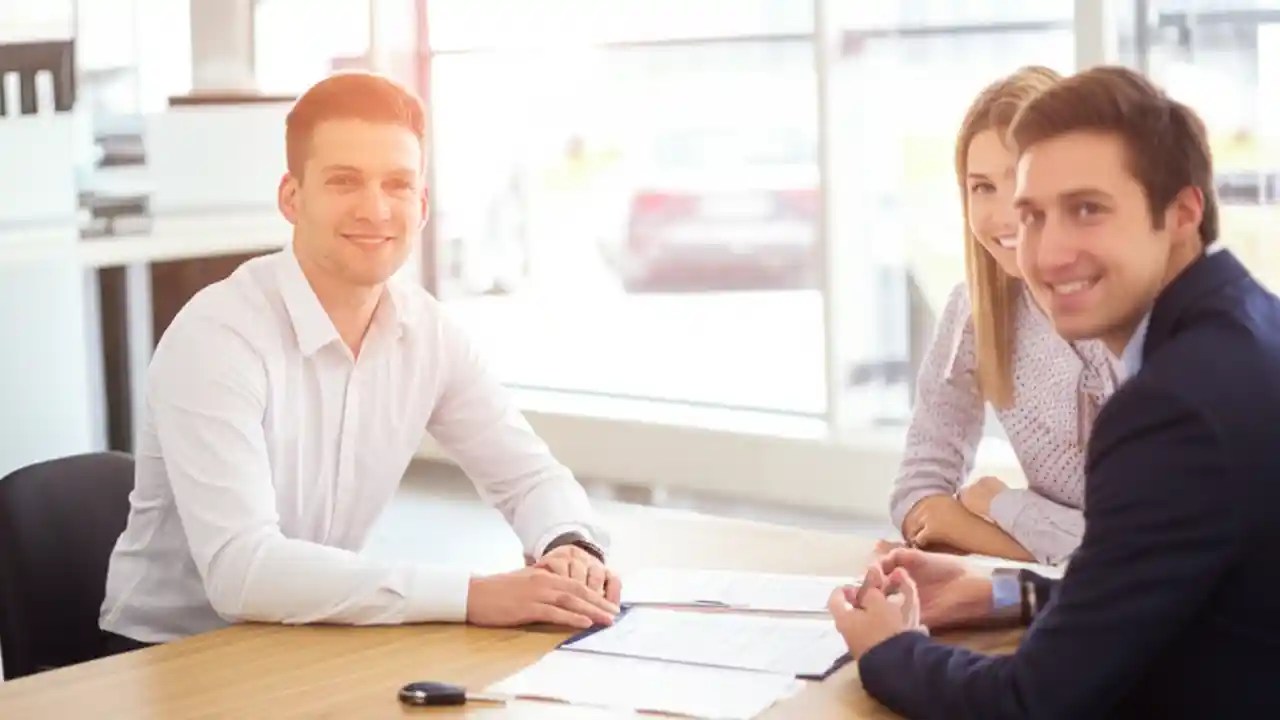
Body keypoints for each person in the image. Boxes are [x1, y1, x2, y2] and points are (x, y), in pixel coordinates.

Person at [99, 72, 621, 652]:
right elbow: (241, 573)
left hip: (304, 642)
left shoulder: (428, 333)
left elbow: (530, 478)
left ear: (421, 206)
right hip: (166, 657)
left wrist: (570, 545)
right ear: (292, 198)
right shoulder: (218, 336)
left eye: (398, 184)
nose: (374, 209)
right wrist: (475, 596)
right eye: (344, 181)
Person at [830, 66, 1280, 719]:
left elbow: (1032, 702)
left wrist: (887, 650)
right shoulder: (1246, 323)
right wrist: (1000, 593)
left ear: (1183, 212)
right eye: (1031, 214)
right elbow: (1157, 591)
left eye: (1087, 210)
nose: (1045, 251)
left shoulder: (1171, 405)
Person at [890, 66, 1118, 565]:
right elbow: (916, 494)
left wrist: (996, 502)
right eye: (981, 187)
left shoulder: (1135, 318)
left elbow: (1142, 553)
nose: (1001, 214)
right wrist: (1010, 539)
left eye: (1019, 181)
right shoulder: (975, 312)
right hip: (1078, 602)